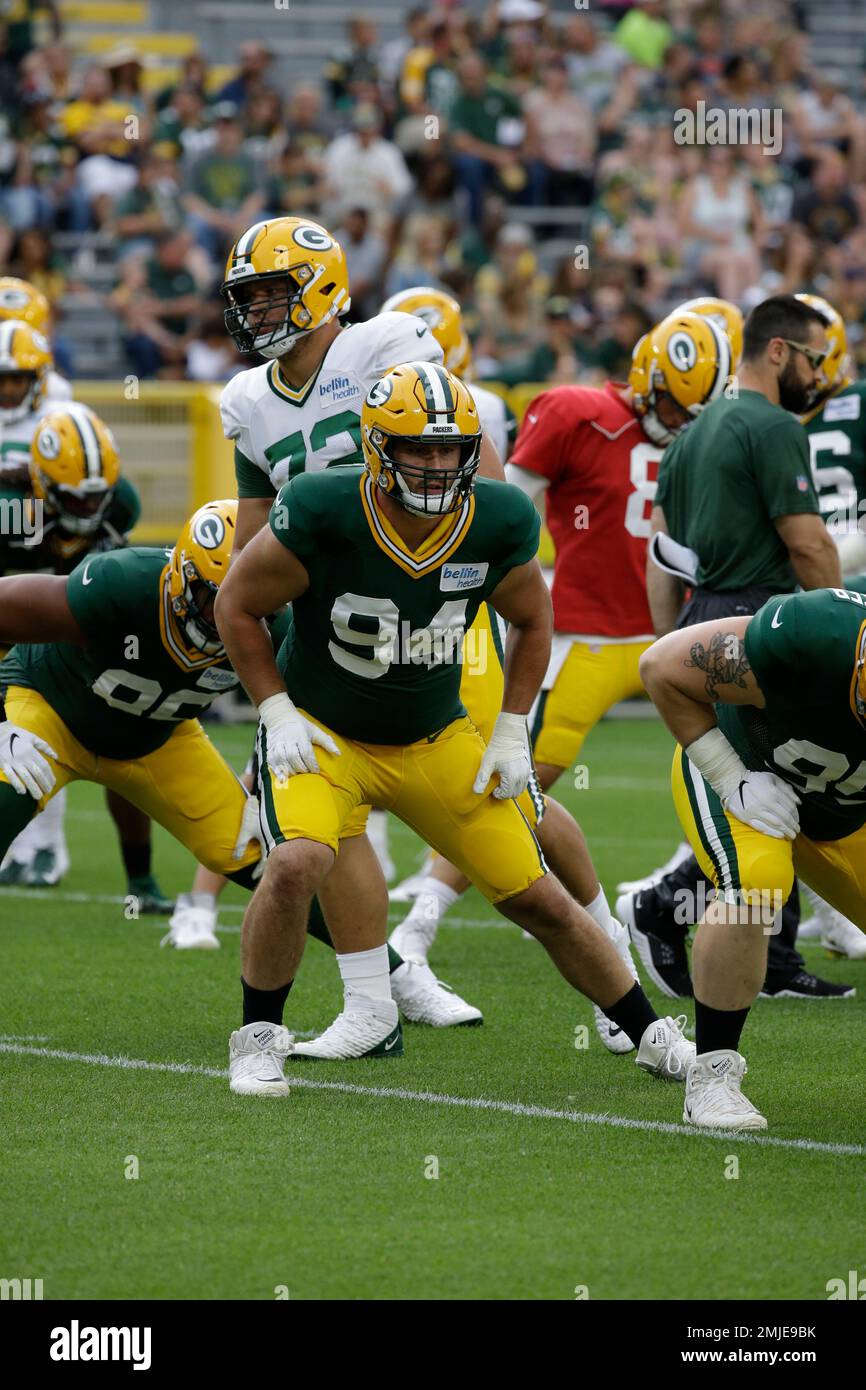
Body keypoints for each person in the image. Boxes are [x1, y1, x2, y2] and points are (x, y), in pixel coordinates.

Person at [212, 361, 694, 1096]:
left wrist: (509, 729)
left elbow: (533, 620)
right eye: (418, 449)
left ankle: (649, 1031)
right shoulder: (323, 509)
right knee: (294, 865)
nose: (438, 465)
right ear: (377, 448)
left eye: (450, 449)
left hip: (436, 738)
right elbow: (235, 606)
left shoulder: (495, 517)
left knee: (536, 895)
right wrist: (274, 710)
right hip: (324, 735)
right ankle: (257, 1038)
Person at [163, 215, 484, 1029]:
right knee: (323, 823)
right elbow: (251, 537)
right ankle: (382, 987)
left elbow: (450, 463)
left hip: (412, 602)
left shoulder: (386, 347)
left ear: (324, 286)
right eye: (248, 299)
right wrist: (255, 636)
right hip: (322, 620)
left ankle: (617, 971)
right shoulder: (248, 400)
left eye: (272, 294)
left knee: (493, 796)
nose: (257, 313)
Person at [621, 294, 852, 1002]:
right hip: (764, 620)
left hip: (704, 613)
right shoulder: (772, 423)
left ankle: (770, 957)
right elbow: (807, 541)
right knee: (791, 787)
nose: (818, 374)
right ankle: (663, 904)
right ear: (778, 351)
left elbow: (663, 555)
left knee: (777, 794)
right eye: (812, 358)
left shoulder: (689, 434)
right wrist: (844, 623)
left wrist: (673, 643)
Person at [640, 585, 866, 1130]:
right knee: (758, 886)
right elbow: (661, 666)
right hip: (745, 767)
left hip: (843, 810)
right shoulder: (816, 633)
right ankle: (712, 1078)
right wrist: (730, 777)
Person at [0, 402, 171, 911]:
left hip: (69, 621)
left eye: (96, 496)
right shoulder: (11, 507)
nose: (89, 507)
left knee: (122, 735)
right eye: (75, 498)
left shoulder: (122, 504)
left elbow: (96, 578)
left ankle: (138, 881)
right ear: (42, 483)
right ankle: (35, 849)